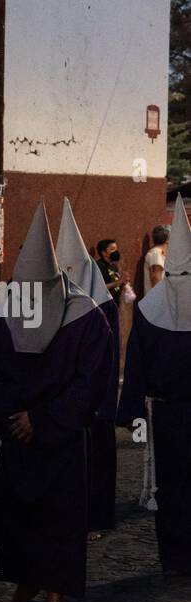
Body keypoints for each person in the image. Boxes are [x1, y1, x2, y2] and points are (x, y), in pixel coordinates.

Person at [0, 200, 111, 602]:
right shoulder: (2, 311)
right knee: (17, 520)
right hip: (16, 436)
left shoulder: (85, 315)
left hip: (61, 440)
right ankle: (23, 589)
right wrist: (9, 417)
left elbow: (91, 382)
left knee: (59, 522)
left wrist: (44, 419)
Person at [117, 195, 191, 575]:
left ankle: (177, 555)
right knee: (171, 486)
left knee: (176, 484)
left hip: (165, 410)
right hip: (164, 410)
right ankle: (175, 555)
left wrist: (131, 411)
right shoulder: (148, 310)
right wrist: (132, 411)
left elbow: (137, 364)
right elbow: (137, 364)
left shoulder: (149, 309)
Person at [57, 199, 120, 538]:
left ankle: (95, 520)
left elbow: (108, 357)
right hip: (64, 403)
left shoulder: (104, 308)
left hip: (95, 403)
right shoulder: (53, 305)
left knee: (96, 464)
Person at [94, 238, 126, 303]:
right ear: (104, 253)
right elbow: (99, 287)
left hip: (116, 302)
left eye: (116, 249)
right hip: (106, 303)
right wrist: (117, 283)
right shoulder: (99, 266)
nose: (116, 252)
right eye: (112, 249)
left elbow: (118, 281)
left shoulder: (113, 265)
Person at [145, 224, 169, 290]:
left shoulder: (158, 252)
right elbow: (156, 278)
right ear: (167, 240)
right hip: (157, 298)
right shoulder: (156, 253)